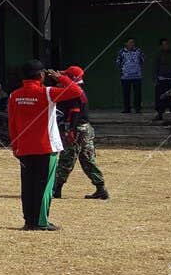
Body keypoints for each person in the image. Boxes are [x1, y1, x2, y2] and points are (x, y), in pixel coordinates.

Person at [7, 61, 84, 231]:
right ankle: (41, 221)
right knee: (44, 185)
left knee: (28, 185)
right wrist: (61, 77)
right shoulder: (47, 93)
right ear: (41, 75)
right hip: (46, 146)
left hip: (24, 147)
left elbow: (11, 122)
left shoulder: (14, 95)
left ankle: (29, 220)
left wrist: (15, 145)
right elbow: (76, 91)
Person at [53, 66, 107, 200]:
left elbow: (75, 111)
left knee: (66, 159)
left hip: (76, 129)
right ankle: (100, 188)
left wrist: (70, 129)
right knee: (88, 159)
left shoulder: (74, 93)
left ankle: (56, 189)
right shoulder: (80, 91)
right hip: (85, 128)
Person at [153, 38, 171, 121]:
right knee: (161, 96)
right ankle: (160, 113)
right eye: (164, 44)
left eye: (167, 44)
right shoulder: (158, 54)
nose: (166, 46)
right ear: (161, 46)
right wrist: (155, 78)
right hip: (161, 79)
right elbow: (155, 67)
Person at [116, 38, 145, 113]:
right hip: (125, 76)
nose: (132, 44)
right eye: (130, 42)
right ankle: (127, 108)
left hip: (137, 76)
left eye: (133, 42)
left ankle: (137, 108)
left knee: (137, 93)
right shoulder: (122, 52)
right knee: (126, 93)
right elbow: (118, 62)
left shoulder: (138, 51)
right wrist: (124, 69)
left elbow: (142, 60)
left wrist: (137, 67)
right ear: (126, 43)